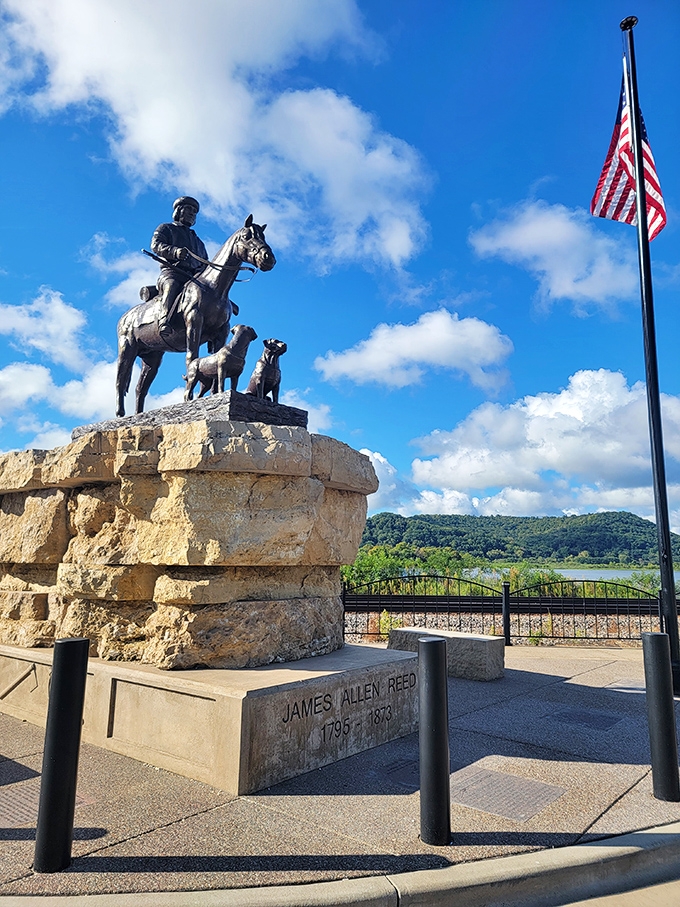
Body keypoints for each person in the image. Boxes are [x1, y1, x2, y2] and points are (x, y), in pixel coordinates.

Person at [151, 196, 208, 333]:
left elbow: (205, 264)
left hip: (193, 278)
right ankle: (164, 320)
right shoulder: (166, 228)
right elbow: (156, 245)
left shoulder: (198, 242)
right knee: (172, 285)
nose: (192, 213)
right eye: (188, 209)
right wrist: (174, 252)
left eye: (194, 211)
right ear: (179, 211)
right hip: (172, 273)